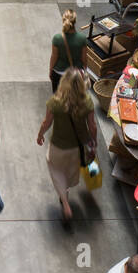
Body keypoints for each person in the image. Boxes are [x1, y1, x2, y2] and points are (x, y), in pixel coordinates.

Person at [36, 68, 98, 225]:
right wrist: (93, 142)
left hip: (58, 145)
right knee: (69, 172)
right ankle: (67, 191)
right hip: (76, 148)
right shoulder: (87, 102)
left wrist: (40, 134)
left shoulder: (55, 102)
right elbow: (93, 127)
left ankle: (65, 203)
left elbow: (46, 122)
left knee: (56, 170)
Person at [48, 9, 88, 93]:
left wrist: (51, 70)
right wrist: (85, 71)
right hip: (75, 75)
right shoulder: (82, 39)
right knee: (74, 97)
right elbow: (84, 58)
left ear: (63, 20)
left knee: (58, 96)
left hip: (59, 74)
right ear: (75, 21)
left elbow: (54, 57)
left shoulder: (57, 38)